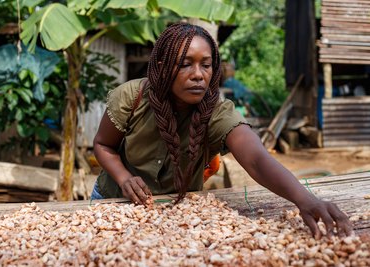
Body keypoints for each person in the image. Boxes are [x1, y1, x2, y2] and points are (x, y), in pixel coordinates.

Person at [92, 22, 352, 239]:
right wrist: (124, 178)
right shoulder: (131, 96)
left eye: (206, 65)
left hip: (176, 211)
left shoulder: (216, 111)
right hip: (114, 202)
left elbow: (257, 158)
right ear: (161, 66)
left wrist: (305, 200)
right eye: (185, 64)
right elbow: (103, 146)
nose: (198, 75)